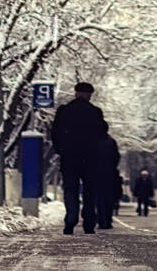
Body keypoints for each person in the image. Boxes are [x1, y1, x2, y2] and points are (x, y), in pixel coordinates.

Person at [51, 81, 105, 234]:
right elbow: (102, 134)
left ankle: (70, 220)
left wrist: (61, 150)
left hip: (69, 157)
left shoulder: (64, 111)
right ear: (89, 95)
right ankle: (89, 223)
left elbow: (55, 132)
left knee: (70, 189)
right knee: (90, 190)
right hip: (90, 158)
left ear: (75, 93)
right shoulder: (95, 112)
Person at [94, 119, 120, 230]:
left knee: (99, 198)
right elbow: (116, 157)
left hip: (96, 173)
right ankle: (108, 220)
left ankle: (101, 220)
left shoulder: (93, 141)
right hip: (109, 174)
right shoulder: (111, 141)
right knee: (108, 198)